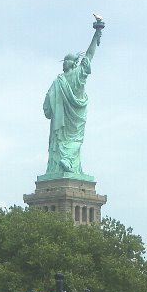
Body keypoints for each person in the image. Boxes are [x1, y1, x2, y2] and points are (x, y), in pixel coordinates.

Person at [42, 21, 103, 177]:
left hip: (71, 116)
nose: (64, 63)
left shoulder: (66, 78)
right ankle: (66, 162)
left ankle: (66, 162)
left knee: (72, 139)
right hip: (71, 117)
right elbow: (48, 102)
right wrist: (96, 34)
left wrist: (96, 35)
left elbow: (89, 54)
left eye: (67, 60)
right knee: (72, 139)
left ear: (73, 62)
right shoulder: (59, 81)